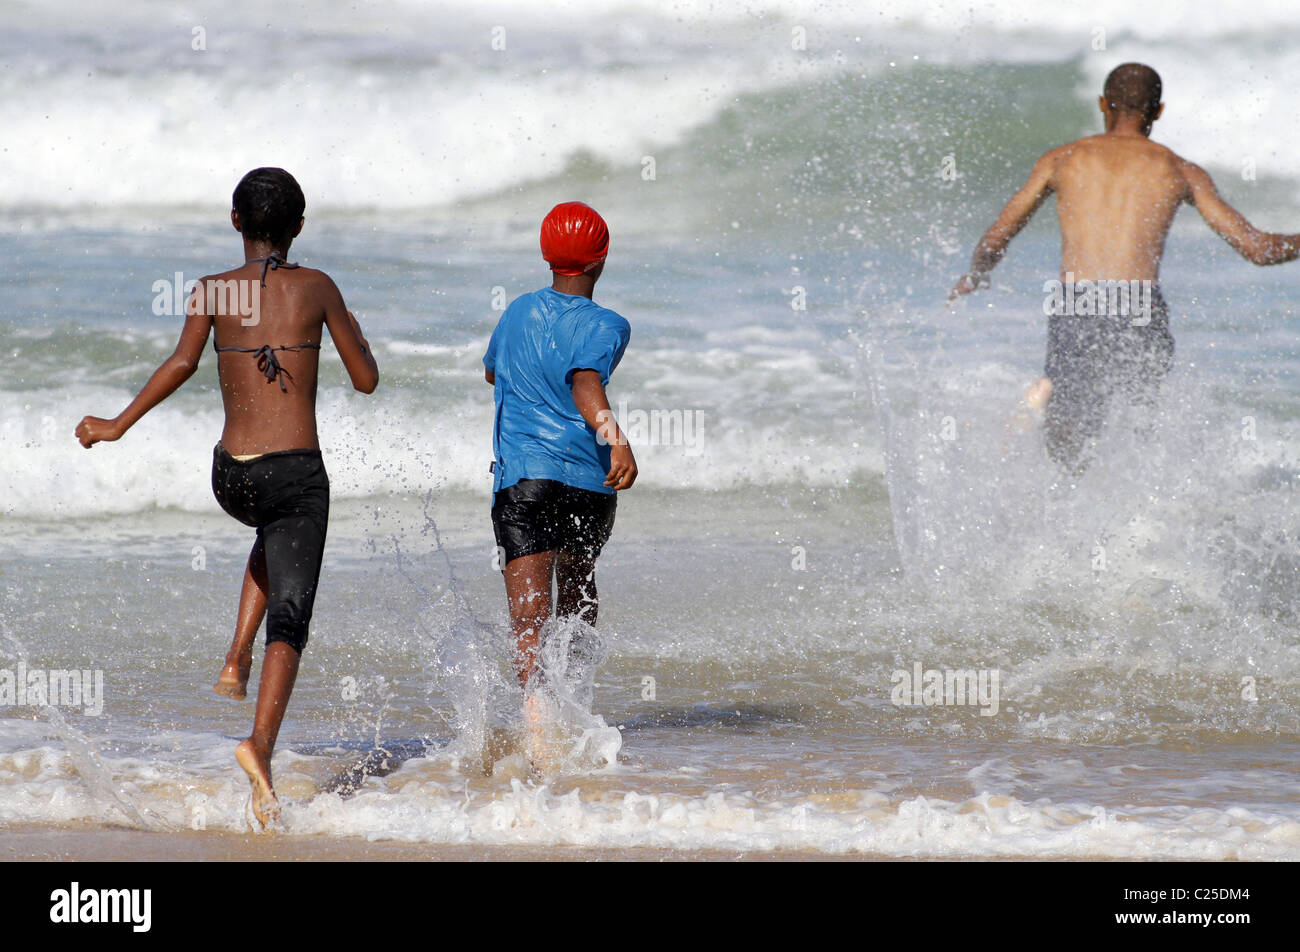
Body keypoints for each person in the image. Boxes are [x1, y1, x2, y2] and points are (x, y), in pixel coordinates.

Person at [75, 167, 379, 827]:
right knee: (291, 615)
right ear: (299, 226)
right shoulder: (319, 286)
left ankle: (235, 658)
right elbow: (365, 381)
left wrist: (115, 425)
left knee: (272, 532)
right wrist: (352, 327)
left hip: (231, 475)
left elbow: (181, 363)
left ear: (235, 222)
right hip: (295, 474)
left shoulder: (212, 291)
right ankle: (259, 747)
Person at [951, 62, 1300, 471]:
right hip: (1139, 304)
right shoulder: (1178, 169)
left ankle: (1048, 398)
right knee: (1137, 429)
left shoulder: (1062, 160)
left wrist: (977, 274)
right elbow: (1258, 249)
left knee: (1069, 442)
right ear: (1159, 111)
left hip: (1078, 302)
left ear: (1102, 104)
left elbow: (996, 239)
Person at [482, 201, 636, 763]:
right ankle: (574, 708)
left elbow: (493, 370)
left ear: (547, 254)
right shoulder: (609, 324)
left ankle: (537, 718)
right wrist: (613, 437)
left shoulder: (518, 311)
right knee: (575, 598)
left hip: (524, 480)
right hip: (586, 486)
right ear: (600, 259)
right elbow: (585, 379)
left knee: (528, 615)